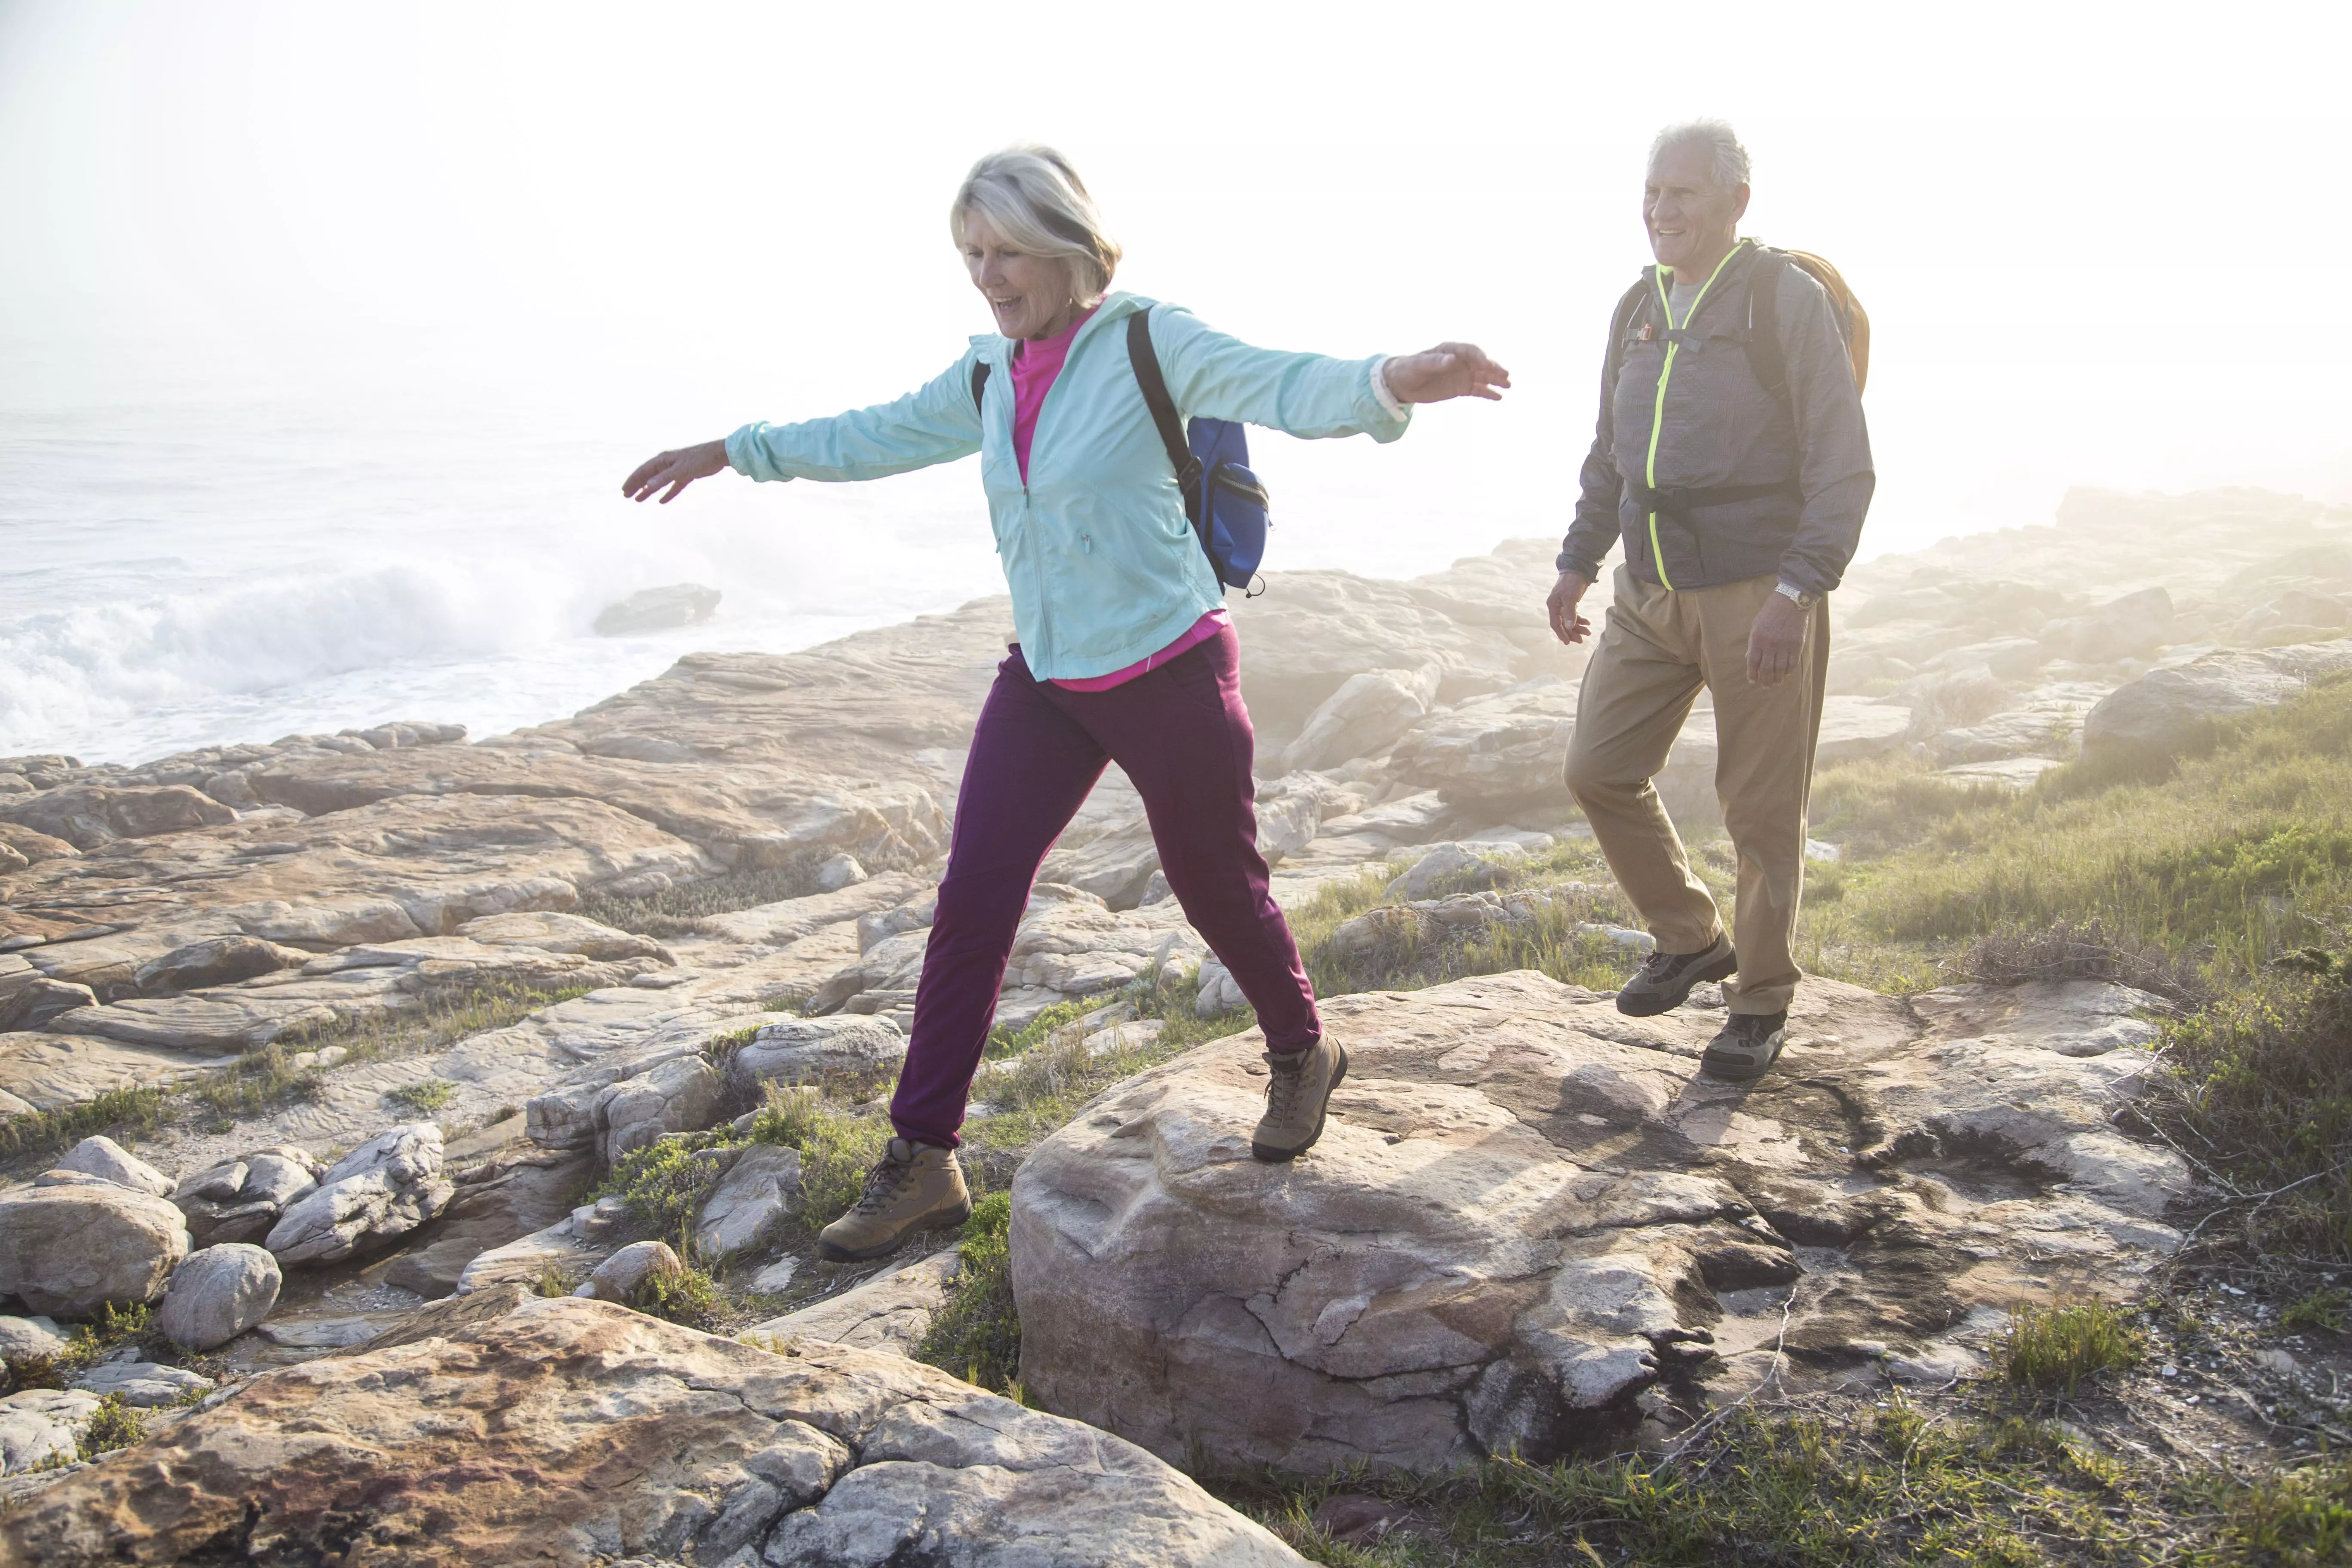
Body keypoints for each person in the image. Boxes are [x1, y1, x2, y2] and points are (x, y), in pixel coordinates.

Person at [626, 145, 1509, 1260]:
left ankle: (1300, 1049)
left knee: (1216, 887)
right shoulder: (991, 374)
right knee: (974, 898)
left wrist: (1395, 379)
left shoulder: (1147, 338)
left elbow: (1282, 382)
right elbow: (873, 435)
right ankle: (923, 1158)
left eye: (1006, 253)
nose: (990, 277)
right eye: (972, 256)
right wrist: (732, 451)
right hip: (1048, 678)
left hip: (1169, 665)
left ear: (1064, 245)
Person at [1545, 119, 1872, 1081]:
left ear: (1736, 202)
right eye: (1652, 191)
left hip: (1757, 592)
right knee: (1597, 767)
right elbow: (1612, 450)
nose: (1661, 209)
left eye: (1682, 192)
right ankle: (1690, 937)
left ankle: (1761, 999)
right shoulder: (1634, 308)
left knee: (1759, 809)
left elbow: (1842, 462)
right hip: (1648, 590)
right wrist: (1577, 561)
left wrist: (1799, 589)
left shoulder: (1783, 301)